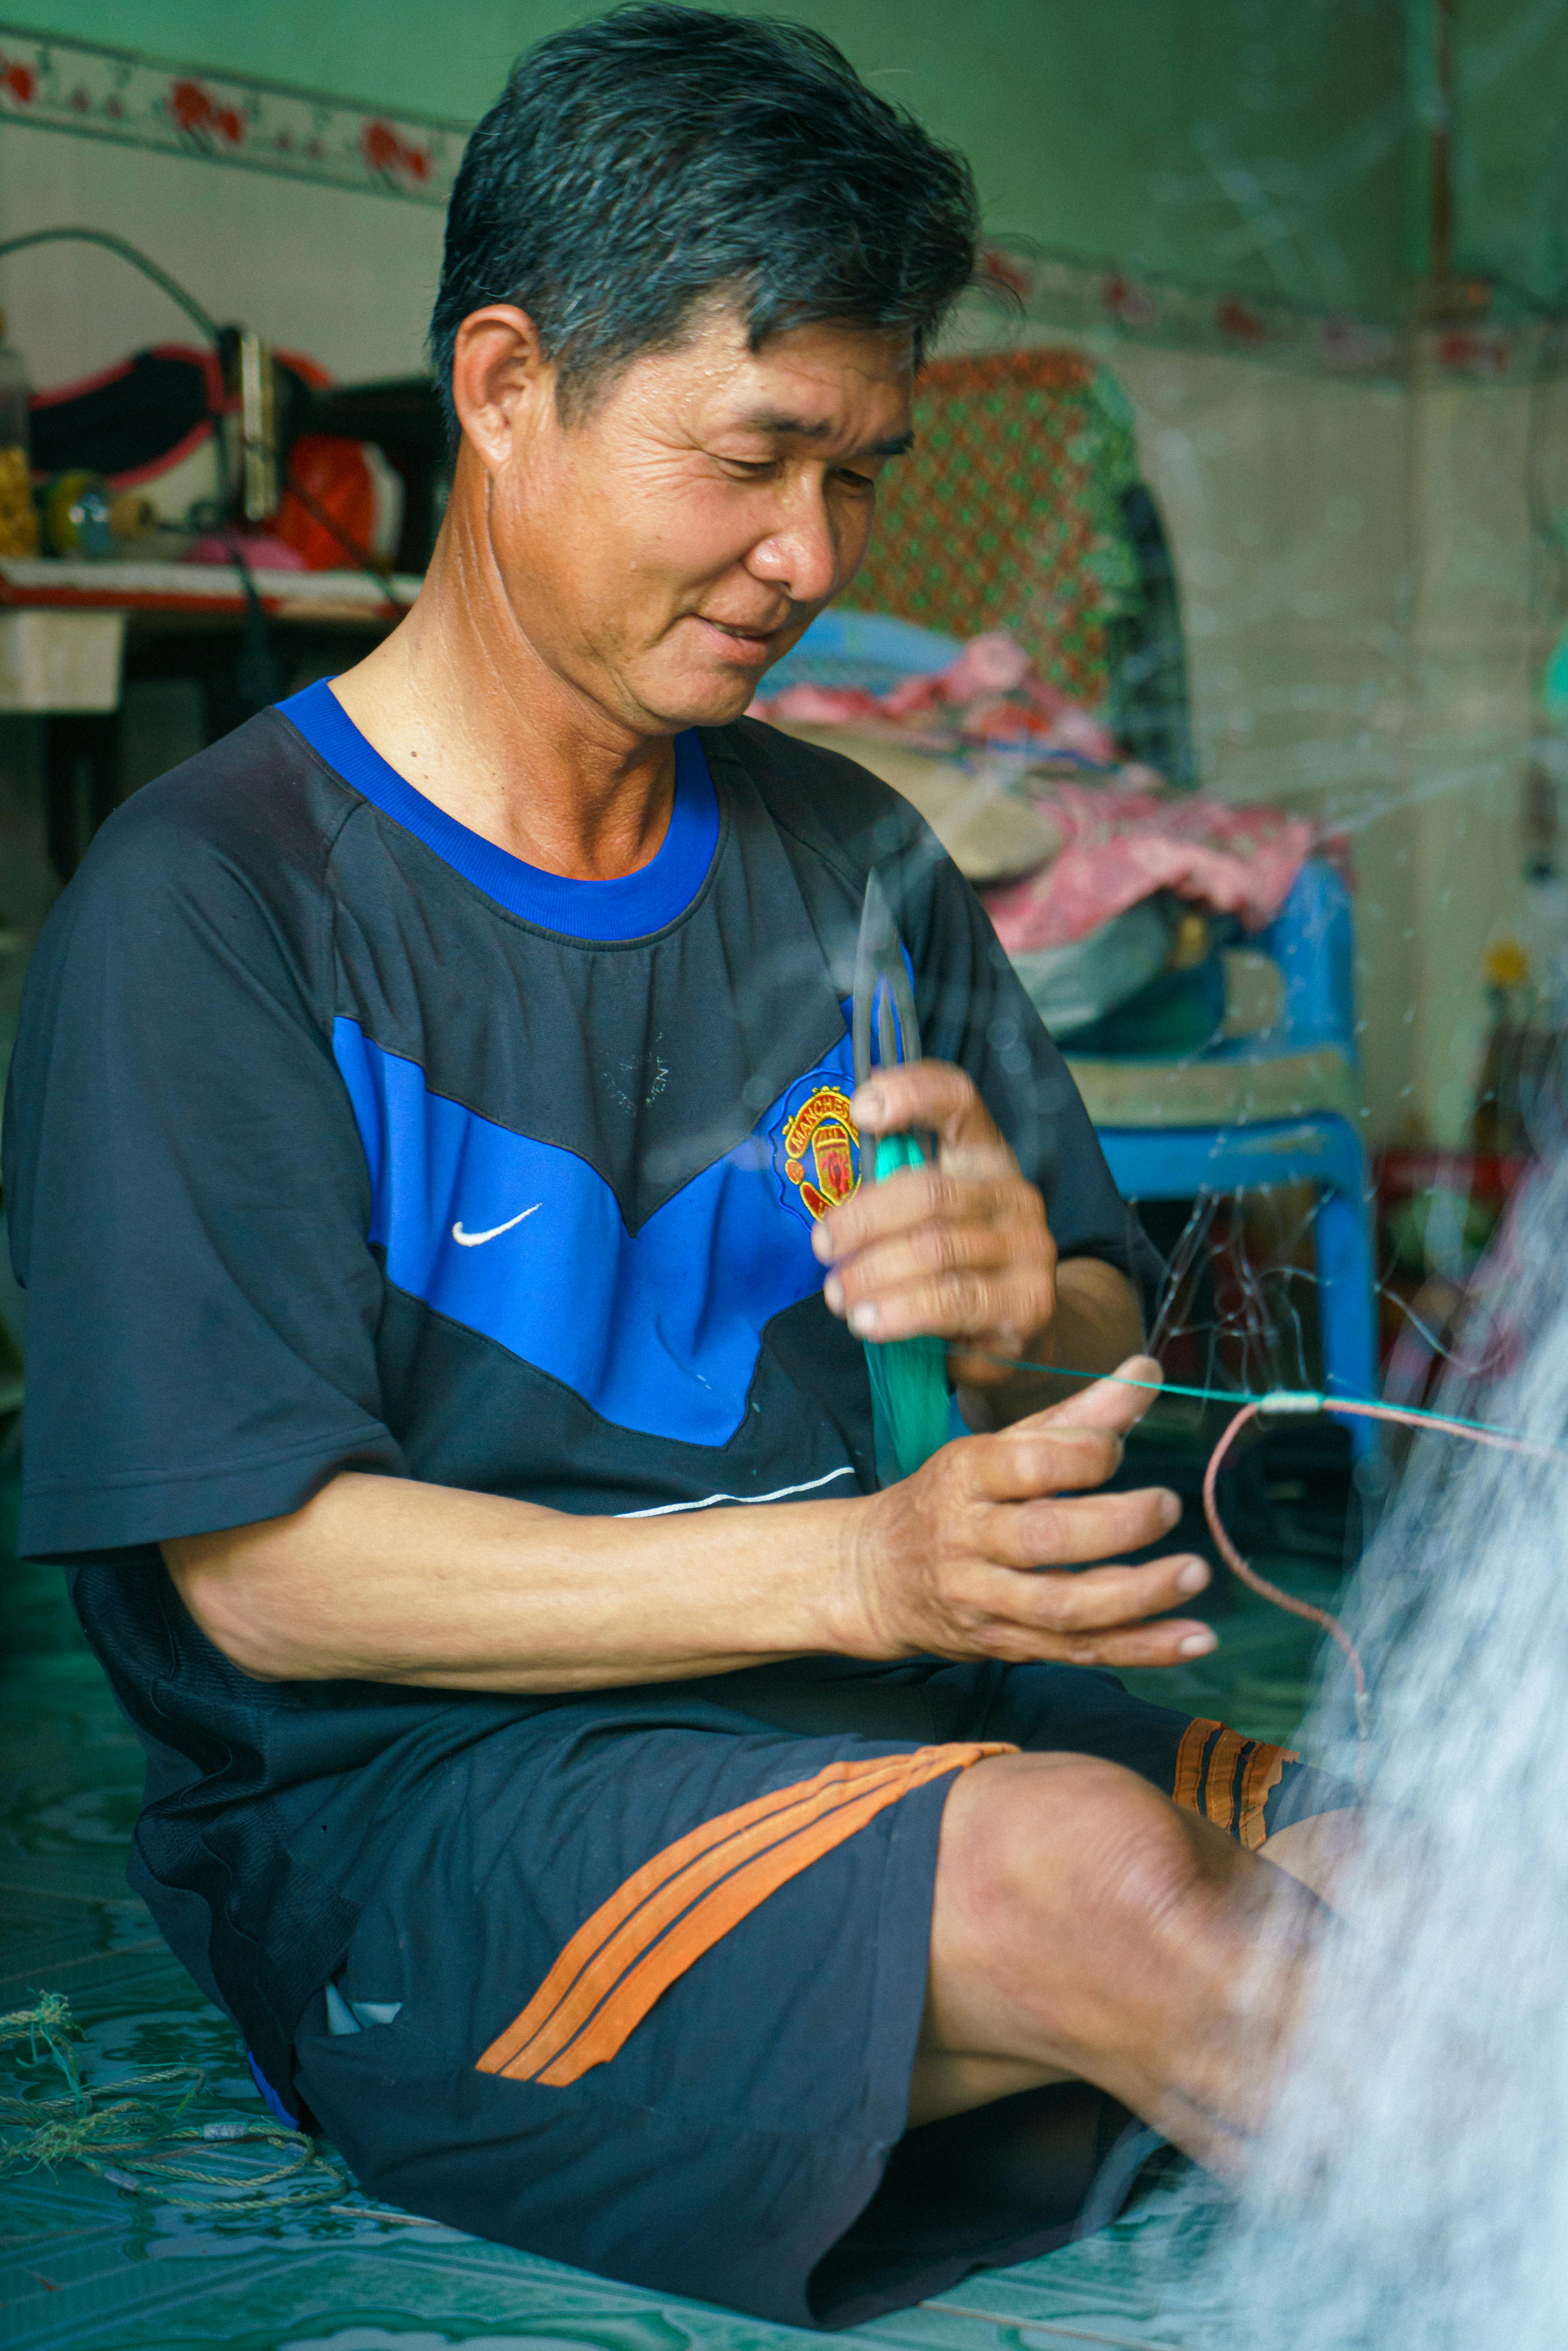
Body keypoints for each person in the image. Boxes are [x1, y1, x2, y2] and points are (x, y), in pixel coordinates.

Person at [3, 7, 1359, 2325]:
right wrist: (866, 1576)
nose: (807, 552)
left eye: (858, 472)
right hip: (430, 1823)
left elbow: (1102, 1334)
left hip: (895, 1711)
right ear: (508, 384)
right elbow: (263, 1582)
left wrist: (1020, 1292)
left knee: (1408, 1867)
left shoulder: (849, 859)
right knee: (1108, 1887)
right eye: (752, 456)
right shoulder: (217, 900)